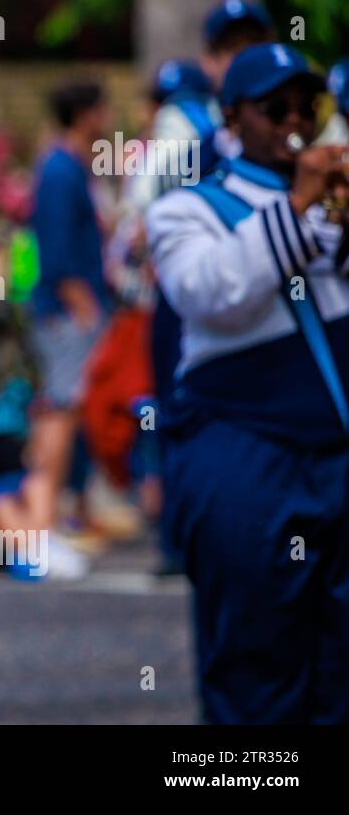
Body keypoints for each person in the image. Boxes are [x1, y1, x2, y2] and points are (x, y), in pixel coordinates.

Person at [147, 42, 349, 723]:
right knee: (254, 670)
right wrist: (298, 204)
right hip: (244, 456)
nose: (295, 121)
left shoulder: (333, 206)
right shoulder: (188, 210)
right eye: (275, 108)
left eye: (307, 107)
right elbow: (213, 292)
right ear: (233, 117)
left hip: (335, 456)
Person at [26, 81, 115, 571]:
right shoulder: (61, 169)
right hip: (66, 313)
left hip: (70, 310)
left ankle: (58, 516)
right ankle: (42, 525)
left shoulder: (66, 164)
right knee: (60, 412)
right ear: (84, 113)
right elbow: (56, 250)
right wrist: (82, 306)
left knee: (66, 411)